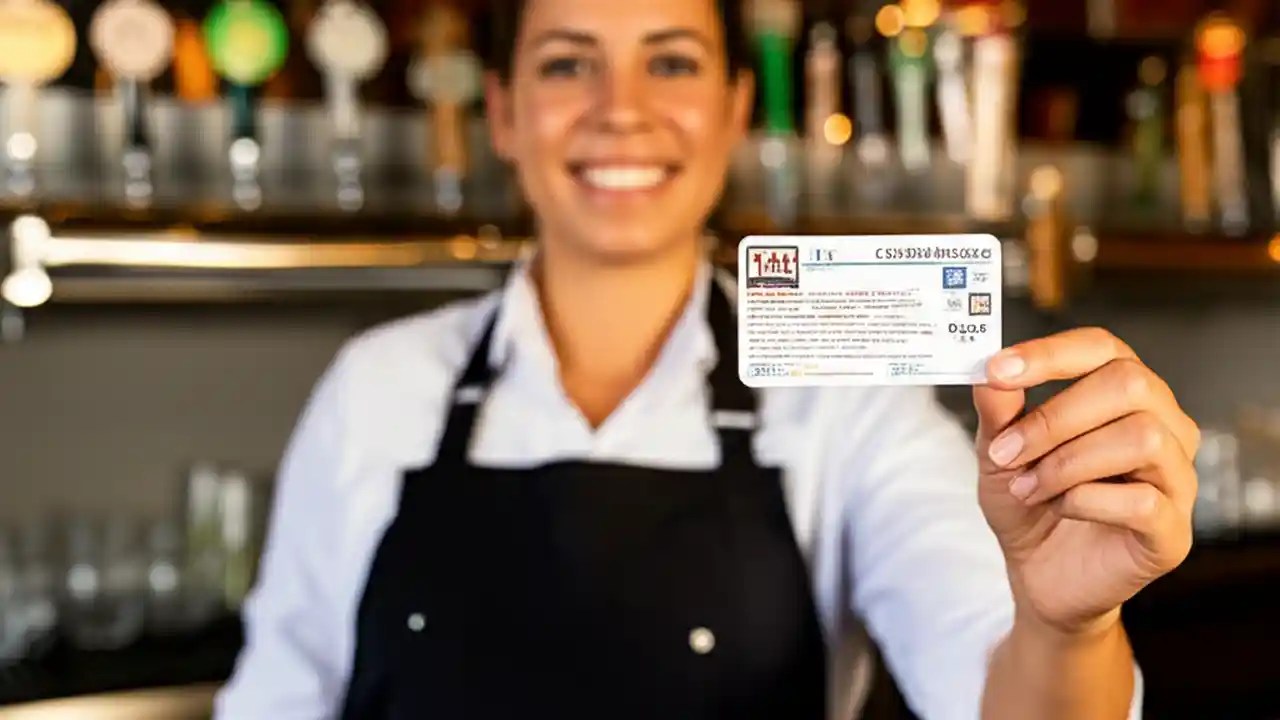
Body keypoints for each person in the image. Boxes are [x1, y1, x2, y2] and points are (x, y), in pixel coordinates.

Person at [214, 0, 1200, 717]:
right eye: (567, 63)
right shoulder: (379, 387)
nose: (621, 108)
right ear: (503, 111)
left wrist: (1063, 625)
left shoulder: (844, 403)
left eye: (671, 62)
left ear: (734, 110)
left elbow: (993, 701)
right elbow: (277, 698)